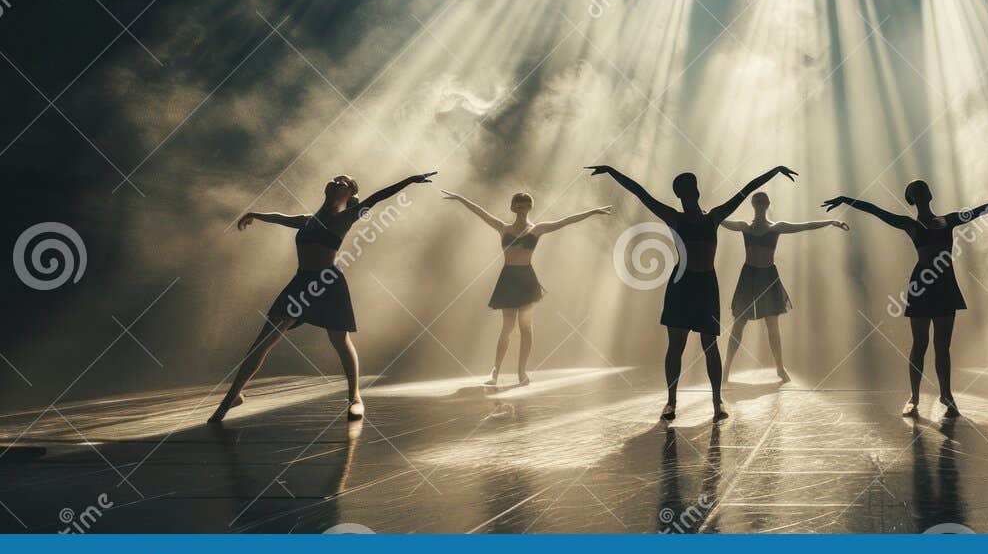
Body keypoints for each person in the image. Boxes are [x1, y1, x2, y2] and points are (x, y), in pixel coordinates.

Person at [209, 171, 436, 423]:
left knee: (340, 341)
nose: (337, 182)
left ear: (350, 194)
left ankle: (355, 397)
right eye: (335, 179)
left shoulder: (347, 217)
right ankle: (233, 396)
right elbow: (281, 218)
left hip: (328, 283)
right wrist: (255, 215)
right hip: (301, 283)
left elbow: (379, 196)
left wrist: (410, 180)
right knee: (264, 340)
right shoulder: (307, 220)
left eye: (345, 182)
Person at [587, 163, 798, 422]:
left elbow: (747, 189)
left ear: (697, 192)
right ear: (682, 195)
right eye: (686, 190)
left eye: (691, 189)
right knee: (677, 345)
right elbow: (640, 193)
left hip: (706, 284)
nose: (690, 193)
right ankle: (671, 402)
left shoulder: (713, 216)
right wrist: (612, 171)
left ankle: (717, 401)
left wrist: (774, 171)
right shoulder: (676, 216)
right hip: (683, 284)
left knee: (709, 345)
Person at [822, 182, 988, 418]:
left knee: (943, 347)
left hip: (944, 285)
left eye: (922, 189)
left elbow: (983, 210)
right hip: (921, 285)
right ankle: (915, 397)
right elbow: (876, 210)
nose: (920, 192)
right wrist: (846, 199)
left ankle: (946, 395)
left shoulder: (949, 220)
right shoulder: (909, 224)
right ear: (911, 198)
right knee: (920, 344)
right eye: (915, 191)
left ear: (930, 195)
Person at [440, 189, 612, 388]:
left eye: (524, 204)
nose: (520, 207)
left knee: (526, 328)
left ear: (530, 207)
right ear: (512, 207)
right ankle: (495, 371)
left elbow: (566, 221)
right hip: (508, 278)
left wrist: (593, 211)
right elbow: (480, 212)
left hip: (526, 279)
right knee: (507, 327)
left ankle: (522, 372)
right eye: (517, 204)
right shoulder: (502, 228)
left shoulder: (537, 229)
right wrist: (461, 198)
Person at [719, 191, 848, 383]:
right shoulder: (745, 227)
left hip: (767, 276)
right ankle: (726, 369)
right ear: (755, 205)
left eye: (763, 202)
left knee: (772, 324)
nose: (761, 205)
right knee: (739, 323)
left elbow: (805, 226)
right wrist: (704, 214)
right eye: (758, 201)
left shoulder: (775, 227)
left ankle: (779, 368)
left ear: (767, 204)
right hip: (749, 277)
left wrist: (830, 222)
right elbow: (719, 220)